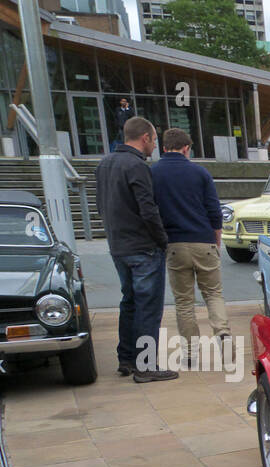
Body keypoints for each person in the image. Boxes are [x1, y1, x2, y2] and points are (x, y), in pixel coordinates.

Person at [94, 116, 176, 383]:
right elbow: (148, 209)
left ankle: (127, 359)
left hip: (119, 246)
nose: (155, 146)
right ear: (145, 138)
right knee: (148, 307)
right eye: (154, 140)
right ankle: (146, 366)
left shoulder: (105, 164)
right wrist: (162, 241)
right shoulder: (137, 166)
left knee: (129, 302)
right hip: (143, 247)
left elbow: (101, 204)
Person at [151, 127, 228, 366]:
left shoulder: (153, 173)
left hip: (174, 243)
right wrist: (216, 240)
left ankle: (191, 353)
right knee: (213, 294)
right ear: (186, 148)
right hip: (203, 240)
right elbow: (214, 211)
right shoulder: (200, 173)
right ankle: (222, 333)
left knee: (184, 302)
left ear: (164, 147)